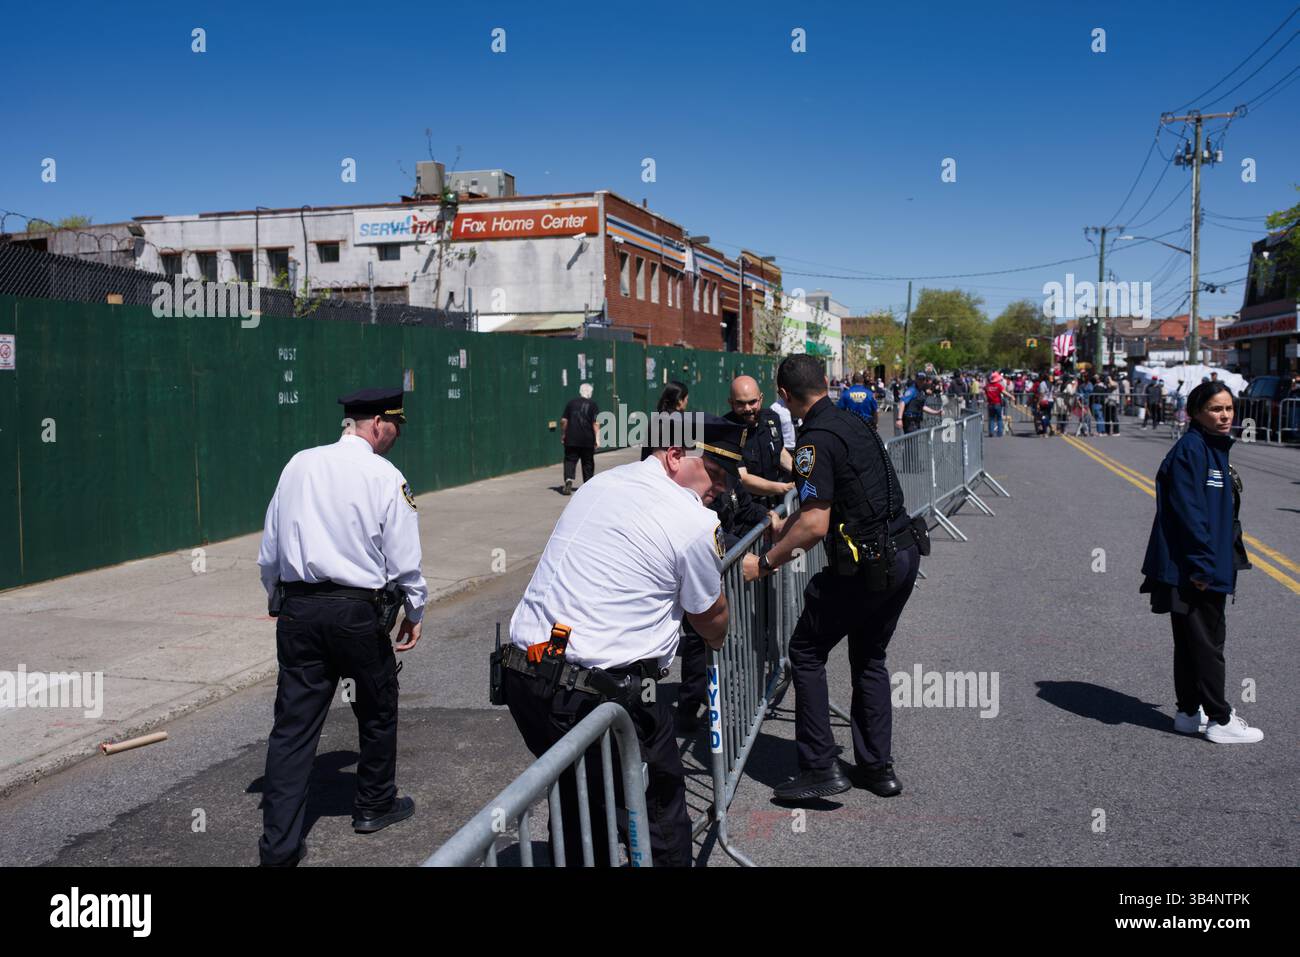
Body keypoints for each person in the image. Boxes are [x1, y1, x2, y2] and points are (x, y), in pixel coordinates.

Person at [498, 415, 742, 866]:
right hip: (599, 695)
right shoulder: (691, 519)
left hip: (525, 675)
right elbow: (711, 618)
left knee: (576, 797)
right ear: (674, 455)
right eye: (718, 473)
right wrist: (719, 636)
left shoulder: (603, 484)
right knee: (659, 804)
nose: (723, 489)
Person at [256, 387, 427, 867]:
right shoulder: (385, 475)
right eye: (395, 425)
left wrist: (275, 593)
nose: (396, 435)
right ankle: (373, 805)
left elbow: (271, 544)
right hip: (356, 612)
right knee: (377, 704)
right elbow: (404, 558)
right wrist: (415, 610)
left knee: (293, 727)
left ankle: (279, 848)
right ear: (377, 423)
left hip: (300, 610)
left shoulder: (299, 465)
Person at [743, 355, 924, 802]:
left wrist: (764, 563)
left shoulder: (812, 442)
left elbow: (816, 525)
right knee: (869, 658)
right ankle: (877, 768)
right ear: (825, 382)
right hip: (902, 553)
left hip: (866, 564)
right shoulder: (854, 421)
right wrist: (785, 528)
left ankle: (820, 766)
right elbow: (845, 496)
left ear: (784, 397)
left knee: (805, 651)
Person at [1140, 383, 1260, 744]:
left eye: (1228, 409)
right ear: (1194, 412)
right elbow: (1190, 515)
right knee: (1208, 642)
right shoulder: (1190, 451)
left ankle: (1189, 712)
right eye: (1214, 409)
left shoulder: (1212, 447)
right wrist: (1203, 568)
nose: (1224, 416)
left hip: (1202, 563)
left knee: (1193, 641)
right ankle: (1220, 720)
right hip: (1194, 568)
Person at [727, 375, 796, 505]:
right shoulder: (727, 432)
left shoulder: (771, 418)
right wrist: (784, 488)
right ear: (731, 402)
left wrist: (801, 473)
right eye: (740, 403)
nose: (747, 408)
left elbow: (779, 452)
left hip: (777, 502)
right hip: (749, 507)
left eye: (752, 402)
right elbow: (744, 478)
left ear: (761, 398)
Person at [559, 383, 600, 494]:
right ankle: (588, 485)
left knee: (570, 460)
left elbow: (564, 421)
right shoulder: (593, 405)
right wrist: (597, 439)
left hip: (571, 438)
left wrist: (563, 434)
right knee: (587, 462)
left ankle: (568, 479)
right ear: (590, 393)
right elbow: (595, 423)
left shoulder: (571, 403)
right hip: (587, 438)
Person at [641, 380, 690, 461]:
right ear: (680, 400)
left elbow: (645, 455)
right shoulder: (682, 422)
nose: (686, 402)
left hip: (651, 468)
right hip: (671, 470)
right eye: (686, 399)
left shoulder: (654, 420)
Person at [984, 371, 1006, 437]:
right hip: (997, 403)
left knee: (991, 419)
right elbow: (1004, 392)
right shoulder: (998, 385)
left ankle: (991, 432)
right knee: (999, 418)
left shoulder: (987, 386)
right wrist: (1011, 396)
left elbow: (983, 392)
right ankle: (999, 432)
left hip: (990, 404)